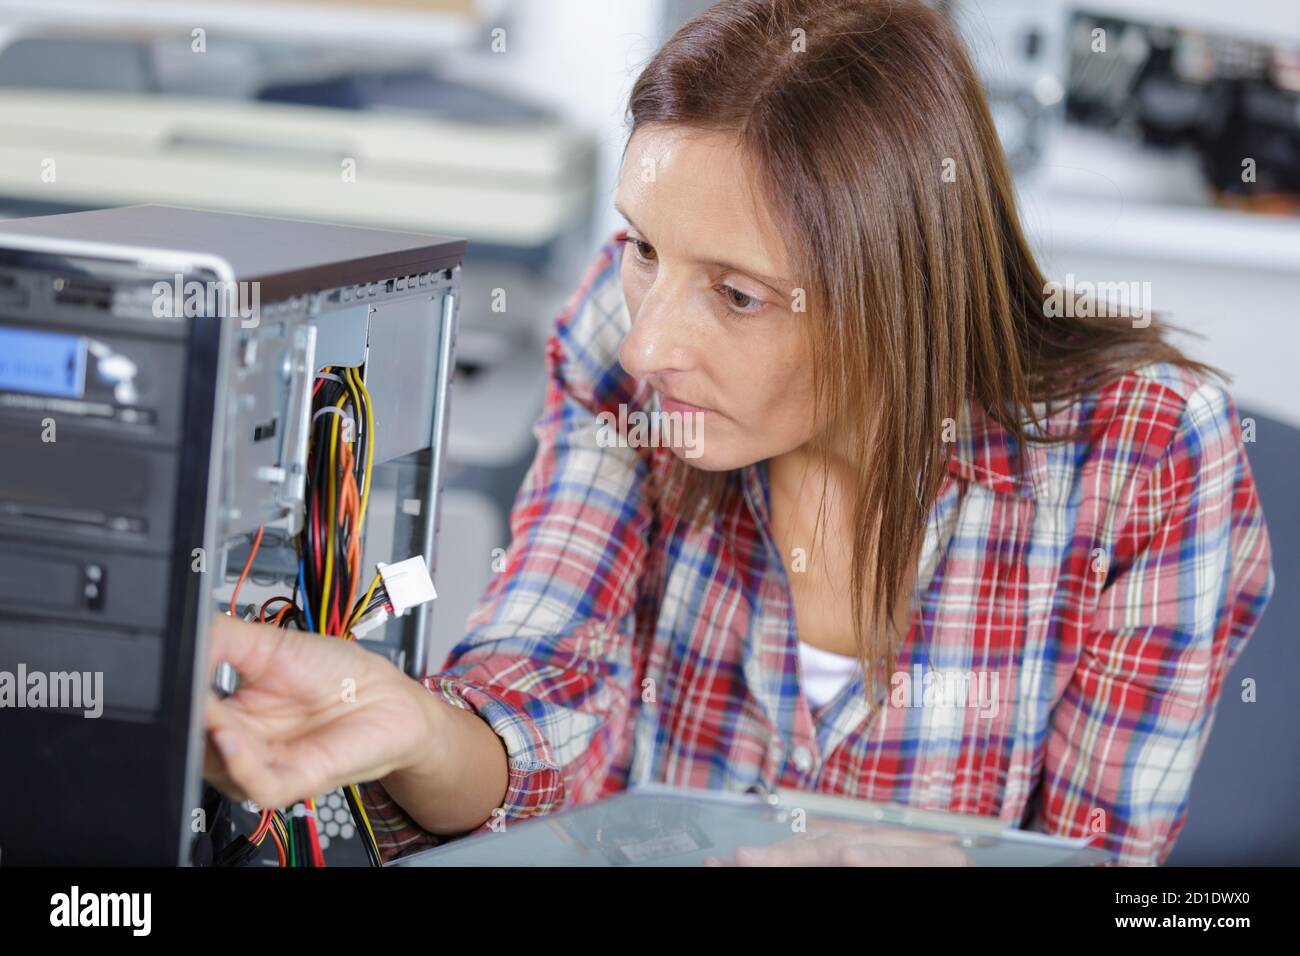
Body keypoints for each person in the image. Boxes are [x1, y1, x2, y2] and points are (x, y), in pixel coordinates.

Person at [204, 0, 1275, 866]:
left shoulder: (1149, 452)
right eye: (642, 248)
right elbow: (549, 688)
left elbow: (1113, 877)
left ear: (898, 293)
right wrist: (423, 729)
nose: (647, 344)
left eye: (740, 295)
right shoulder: (615, 341)